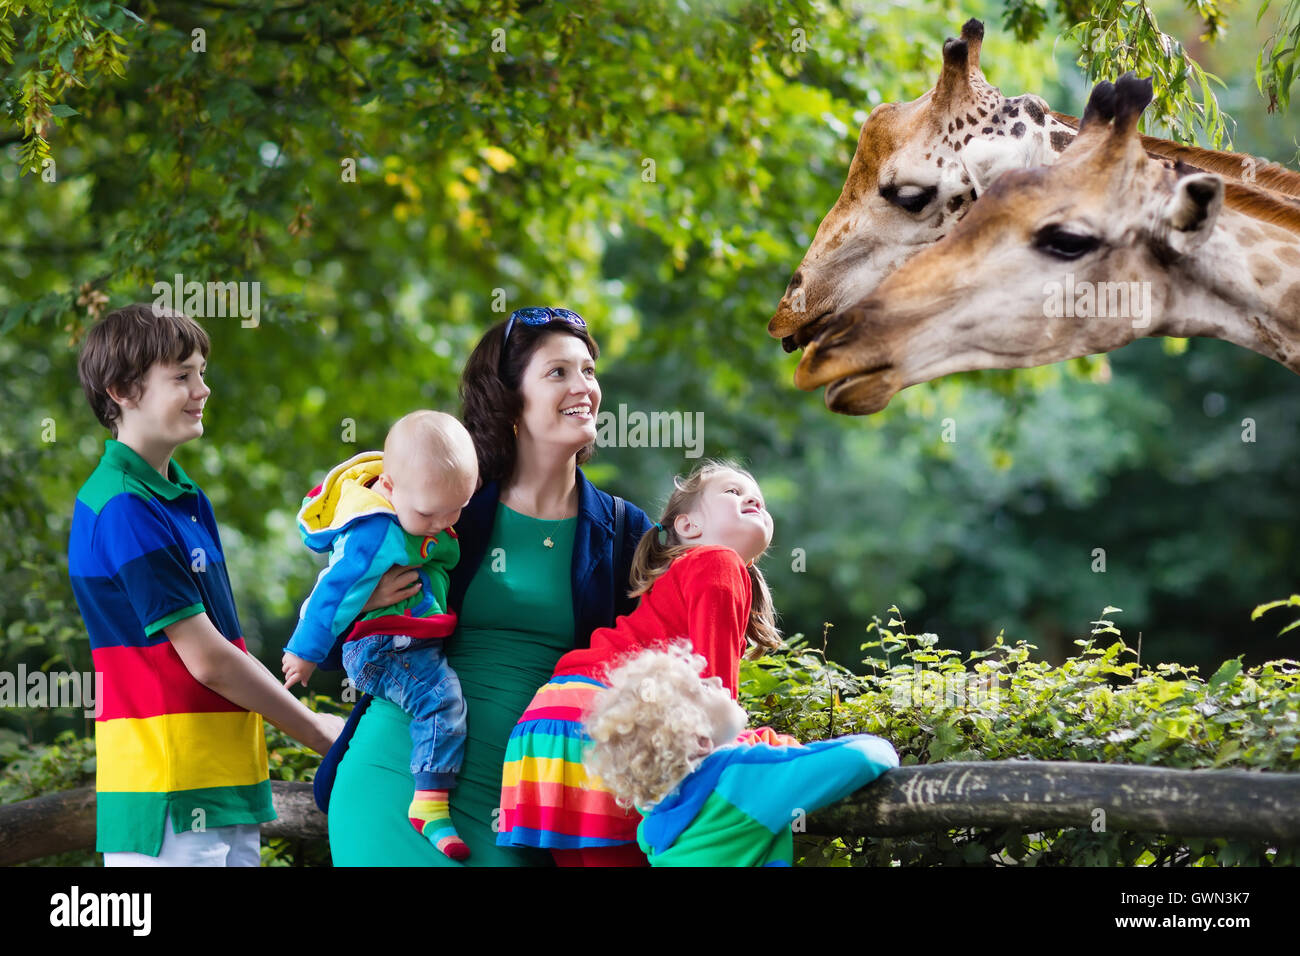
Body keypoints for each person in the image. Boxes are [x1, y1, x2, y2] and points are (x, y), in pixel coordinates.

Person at [319, 306, 653, 866]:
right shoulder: (449, 507)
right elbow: (327, 640)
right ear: (508, 398)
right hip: (395, 782)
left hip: (522, 813)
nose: (583, 387)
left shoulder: (624, 531)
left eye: (588, 371)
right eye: (558, 373)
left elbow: (667, 650)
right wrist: (365, 604)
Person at [68, 304, 344, 866]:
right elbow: (209, 660)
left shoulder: (184, 498)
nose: (202, 389)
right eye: (181, 376)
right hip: (168, 797)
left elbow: (226, 649)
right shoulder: (122, 505)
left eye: (201, 372)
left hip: (225, 786)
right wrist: (316, 730)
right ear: (122, 389)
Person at [496, 459, 790, 866]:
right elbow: (714, 692)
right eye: (732, 492)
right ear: (688, 526)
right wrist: (750, 745)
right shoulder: (719, 562)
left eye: (757, 497)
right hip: (607, 721)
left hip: (551, 721)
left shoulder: (685, 573)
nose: (751, 497)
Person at [281, 410, 477, 860]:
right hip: (382, 645)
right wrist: (305, 651)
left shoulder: (423, 504)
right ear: (388, 488)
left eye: (456, 511)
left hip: (405, 636)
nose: (441, 523)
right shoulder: (374, 529)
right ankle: (429, 801)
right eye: (430, 513)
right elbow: (333, 591)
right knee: (441, 699)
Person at [584, 643, 901, 866]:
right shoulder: (742, 779)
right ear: (700, 740)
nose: (717, 680)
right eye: (703, 688)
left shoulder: (658, 808)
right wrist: (886, 746)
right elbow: (863, 757)